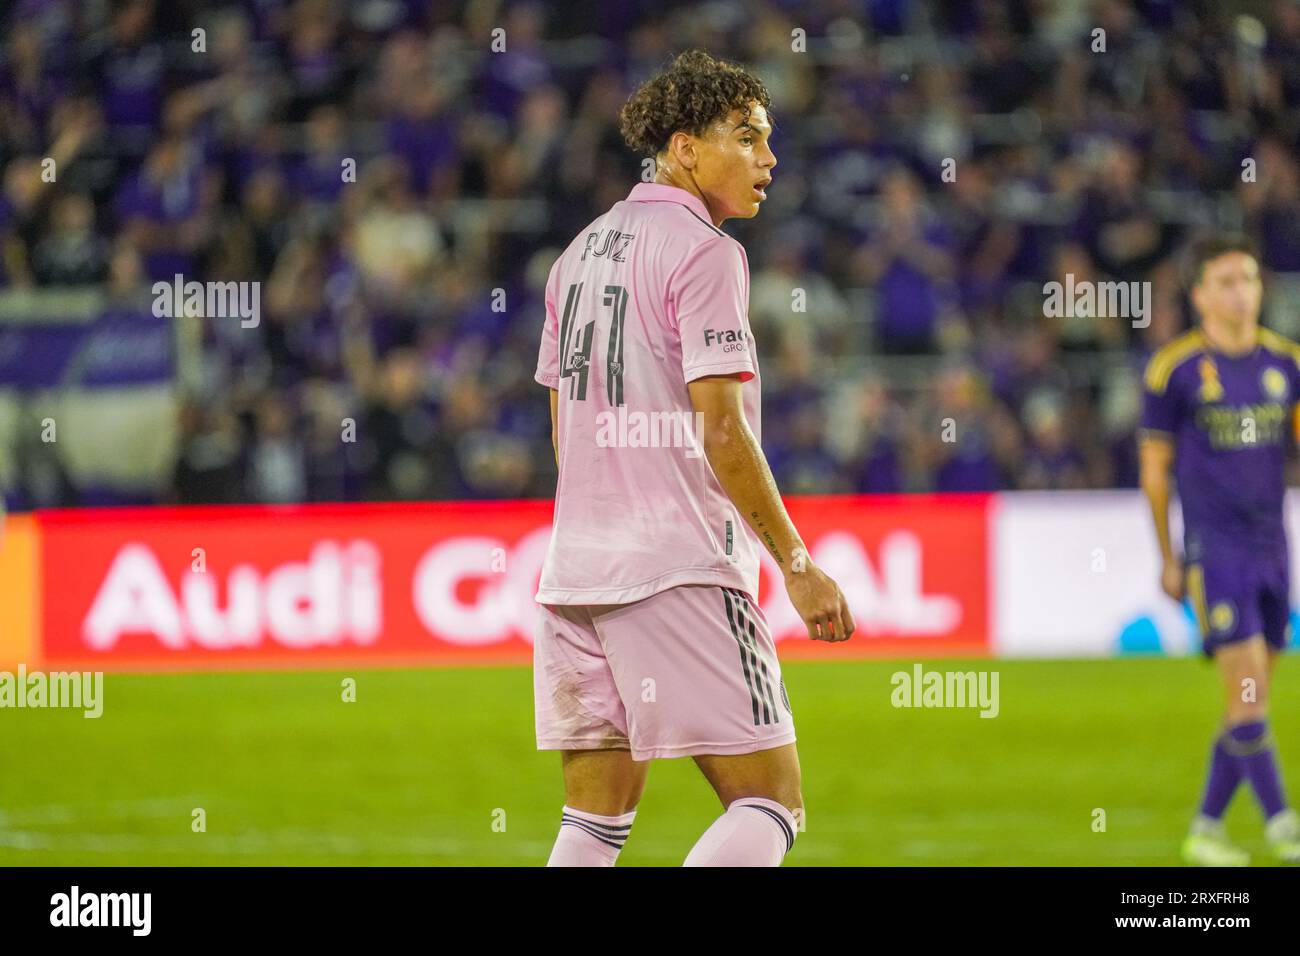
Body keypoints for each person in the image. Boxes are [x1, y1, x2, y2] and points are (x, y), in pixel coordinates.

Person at [532, 49, 855, 867]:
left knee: (593, 822)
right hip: (676, 563)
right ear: (684, 149)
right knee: (770, 801)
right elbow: (723, 429)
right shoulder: (707, 252)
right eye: (746, 137)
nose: (767, 159)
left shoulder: (576, 255)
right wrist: (796, 560)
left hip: (576, 570)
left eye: (768, 140)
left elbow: (562, 423)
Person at [1139, 234, 1300, 865]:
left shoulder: (1286, 364)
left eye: (1250, 279)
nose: (1242, 292)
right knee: (1249, 694)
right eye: (1228, 281)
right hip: (1215, 549)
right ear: (1201, 293)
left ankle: (1205, 828)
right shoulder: (1174, 370)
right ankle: (1283, 822)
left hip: (1273, 547)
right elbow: (1155, 470)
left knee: (1249, 701)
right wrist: (1169, 555)